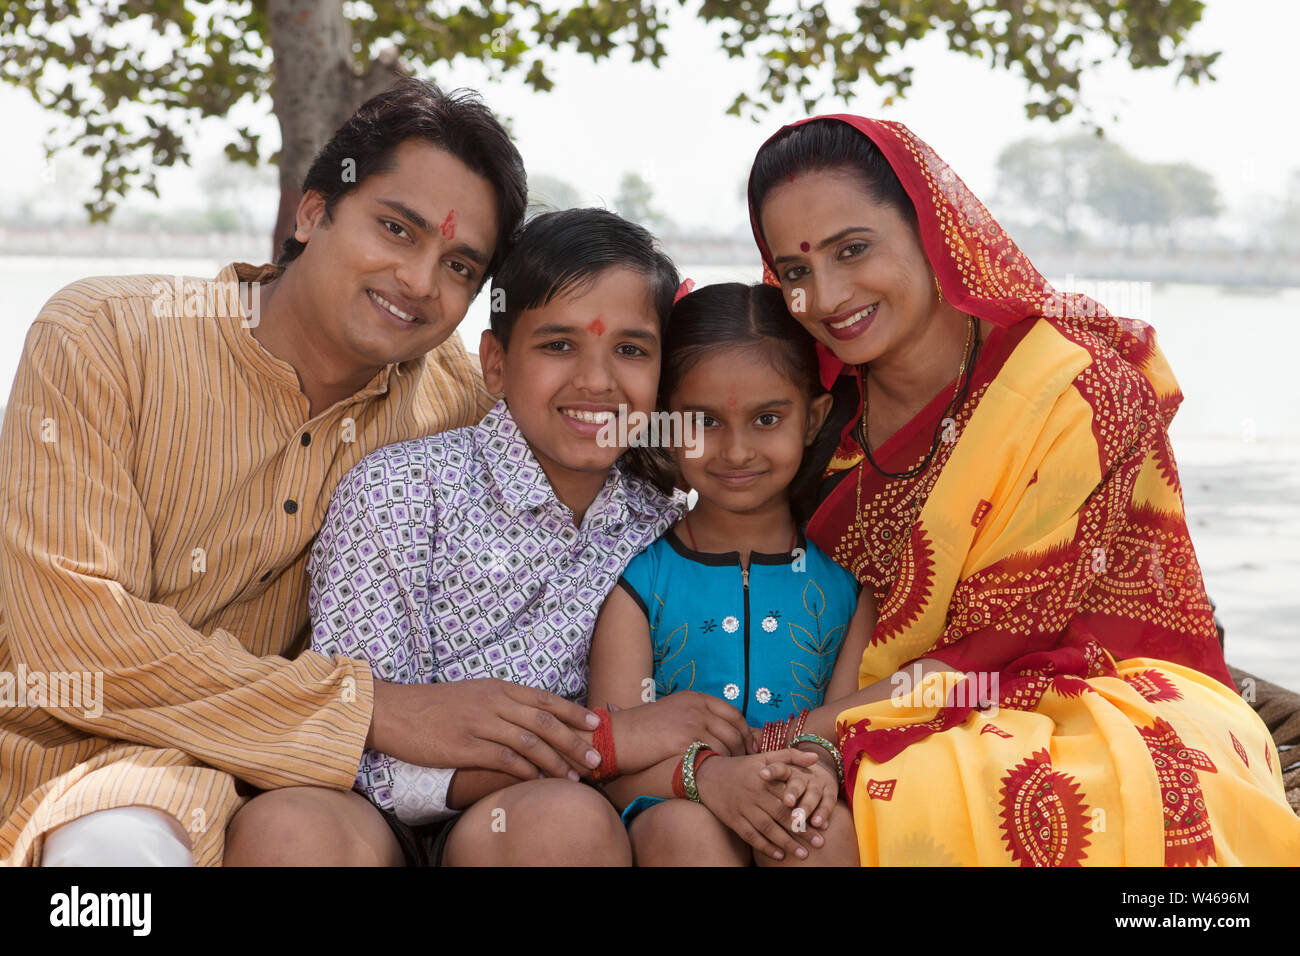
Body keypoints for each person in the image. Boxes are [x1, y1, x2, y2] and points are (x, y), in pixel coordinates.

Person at [0, 77, 584, 868]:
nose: (418, 281)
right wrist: (369, 710)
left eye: (457, 265)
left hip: (275, 797)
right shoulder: (107, 340)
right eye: (395, 229)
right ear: (312, 212)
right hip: (57, 768)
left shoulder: (460, 404)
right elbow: (76, 637)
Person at [744, 114, 1300, 865]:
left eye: (853, 250)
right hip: (864, 698)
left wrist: (804, 732)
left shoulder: (1075, 389)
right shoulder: (808, 405)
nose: (829, 295)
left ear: (932, 230)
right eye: (797, 273)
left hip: (1090, 691)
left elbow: (1002, 645)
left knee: (1016, 791)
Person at [307, 210, 757, 866]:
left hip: (542, 817)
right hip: (373, 818)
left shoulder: (664, 528)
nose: (597, 381)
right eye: (558, 345)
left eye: (630, 350)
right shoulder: (400, 491)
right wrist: (605, 742)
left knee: (561, 823)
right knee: (291, 827)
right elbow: (347, 735)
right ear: (495, 362)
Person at [588, 281, 869, 866]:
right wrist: (706, 779)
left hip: (794, 805)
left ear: (813, 418)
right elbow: (606, 767)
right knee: (685, 833)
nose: (736, 452)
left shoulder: (847, 590)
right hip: (672, 809)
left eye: (767, 418)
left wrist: (817, 772)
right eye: (705, 422)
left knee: (819, 831)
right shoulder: (640, 588)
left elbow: (843, 734)